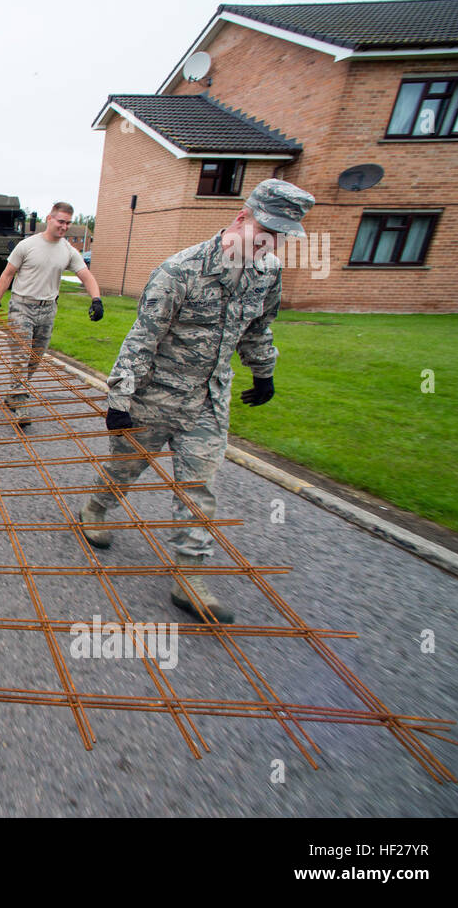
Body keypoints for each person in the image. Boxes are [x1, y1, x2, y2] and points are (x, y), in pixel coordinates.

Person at [78, 178, 315, 624]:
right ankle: (97, 507)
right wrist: (120, 397)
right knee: (126, 468)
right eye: (266, 233)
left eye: (282, 237)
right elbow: (142, 338)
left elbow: (258, 328)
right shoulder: (180, 270)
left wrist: (263, 372)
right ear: (241, 219)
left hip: (208, 401)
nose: (272, 244)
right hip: (155, 397)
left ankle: (190, 575)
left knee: (198, 487)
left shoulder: (268, 272)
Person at [0, 202, 104, 428]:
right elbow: (7, 274)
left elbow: (85, 275)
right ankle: (20, 404)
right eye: (60, 221)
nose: (64, 226)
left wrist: (96, 299)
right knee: (21, 355)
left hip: (48, 309)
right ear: (49, 219)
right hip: (22, 306)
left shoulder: (68, 251)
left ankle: (14, 392)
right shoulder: (27, 245)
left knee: (35, 358)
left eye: (68, 223)